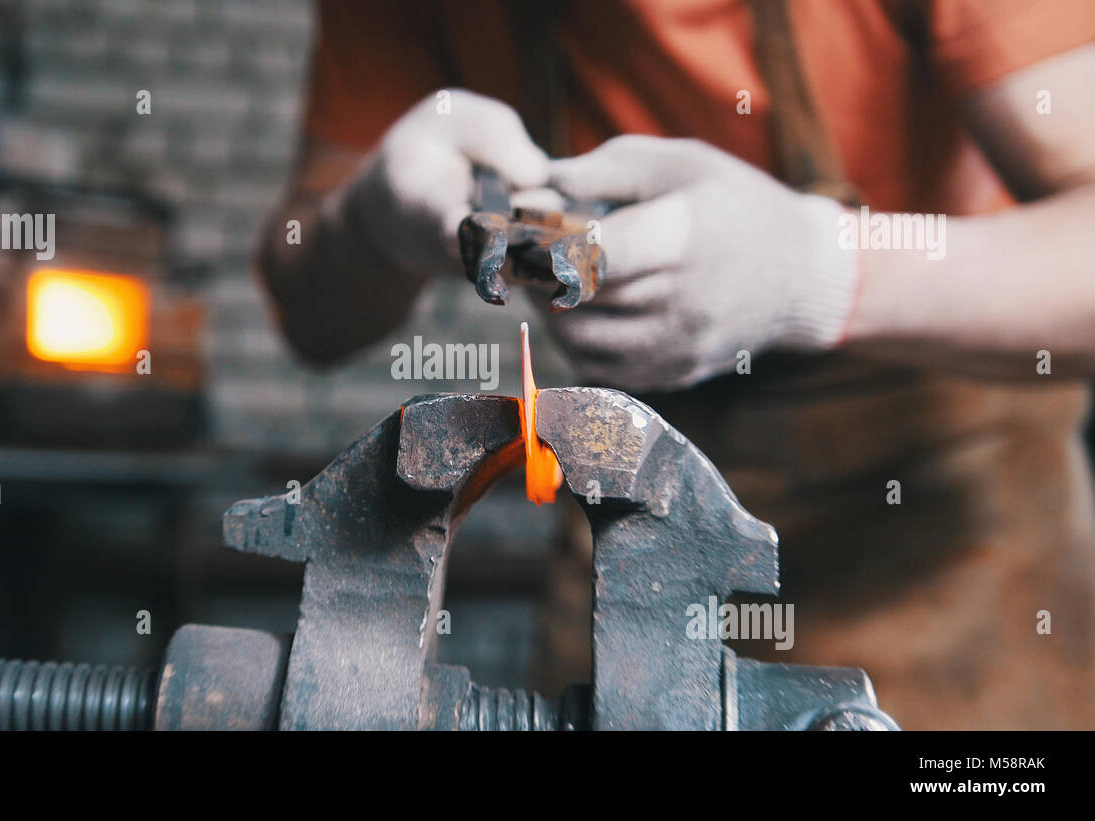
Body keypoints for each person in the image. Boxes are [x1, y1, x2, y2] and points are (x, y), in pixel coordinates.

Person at [255, 0, 1095, 729]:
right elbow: (310, 316)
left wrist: (824, 274)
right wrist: (370, 223)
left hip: (952, 560)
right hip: (634, 561)